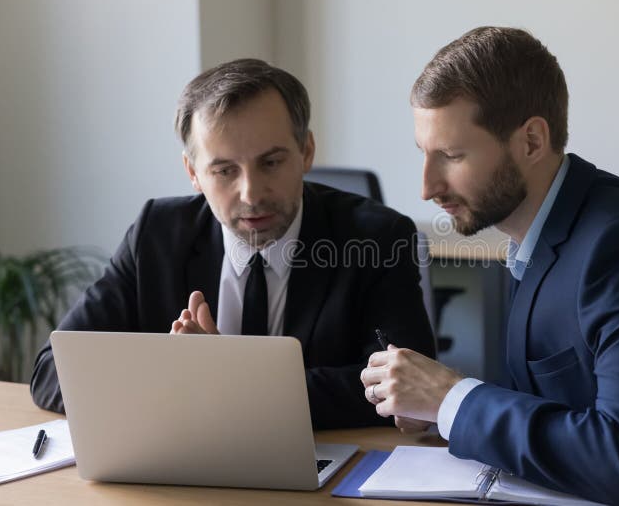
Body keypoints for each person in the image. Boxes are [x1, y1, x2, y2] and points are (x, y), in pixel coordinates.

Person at [360, 27, 619, 505]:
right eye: (424, 155)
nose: (426, 188)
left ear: (532, 141)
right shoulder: (543, 232)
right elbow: (567, 408)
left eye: (451, 156)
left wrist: (453, 399)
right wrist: (440, 408)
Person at [31, 58, 436, 429]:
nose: (250, 193)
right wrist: (173, 379)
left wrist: (221, 380)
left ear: (306, 151)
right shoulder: (156, 233)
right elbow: (52, 371)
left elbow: (406, 386)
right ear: (193, 172)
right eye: (224, 170)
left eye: (271, 162)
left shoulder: (377, 237)